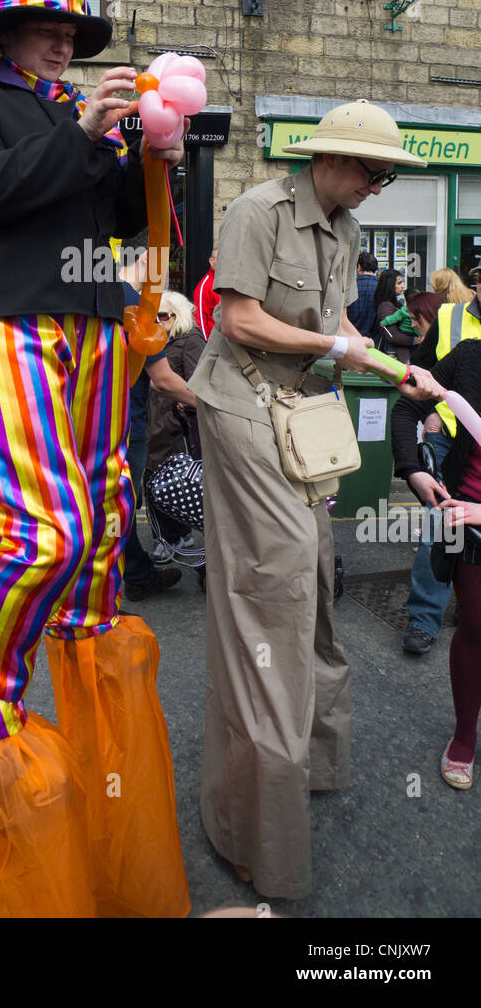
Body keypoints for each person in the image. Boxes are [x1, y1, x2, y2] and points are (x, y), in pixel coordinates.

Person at [0, 0, 190, 919]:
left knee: (97, 542)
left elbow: (145, 230)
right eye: (51, 28)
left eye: (74, 29)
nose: (67, 41)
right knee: (38, 530)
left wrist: (156, 154)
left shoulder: (75, 116)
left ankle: (93, 800)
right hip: (7, 324)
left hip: (89, 329)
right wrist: (81, 129)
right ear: (10, 30)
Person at [189, 98, 427, 899]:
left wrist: (401, 372)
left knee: (313, 583)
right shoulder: (257, 210)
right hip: (241, 406)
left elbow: (339, 339)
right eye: (373, 170)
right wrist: (337, 346)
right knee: (271, 593)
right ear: (331, 159)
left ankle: (308, 771)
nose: (379, 185)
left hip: (298, 414)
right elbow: (242, 320)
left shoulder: (347, 228)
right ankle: (250, 822)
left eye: (387, 175)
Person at [391, 347, 481, 790]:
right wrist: (412, 469)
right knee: (476, 629)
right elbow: (408, 403)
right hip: (468, 520)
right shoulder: (469, 356)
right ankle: (464, 736)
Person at [400, 274, 481, 653]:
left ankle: (468, 604)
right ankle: (425, 619)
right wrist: (431, 410)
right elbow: (418, 374)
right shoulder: (451, 318)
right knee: (441, 523)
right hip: (448, 436)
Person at [119, 250, 194, 602]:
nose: (163, 278)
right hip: (126, 426)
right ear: (146, 263)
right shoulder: (136, 308)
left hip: (89, 421)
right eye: (161, 267)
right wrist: (212, 405)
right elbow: (163, 379)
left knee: (108, 503)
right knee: (118, 504)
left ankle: (136, 572)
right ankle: (123, 580)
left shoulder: (99, 295)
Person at [144, 291, 205, 567]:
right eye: (153, 316)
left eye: (163, 316)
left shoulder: (190, 341)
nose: (157, 321)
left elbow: (200, 382)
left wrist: (176, 393)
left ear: (177, 316)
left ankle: (169, 539)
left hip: (175, 426)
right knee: (154, 482)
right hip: (153, 423)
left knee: (169, 481)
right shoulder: (154, 341)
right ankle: (172, 536)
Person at [374, 268, 415, 362]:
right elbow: (391, 335)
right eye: (399, 283)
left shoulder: (394, 304)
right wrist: (414, 339)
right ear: (390, 285)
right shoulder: (385, 306)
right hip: (395, 356)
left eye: (403, 282)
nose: (403, 286)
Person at [346, 250, 378, 337]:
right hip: (374, 340)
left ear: (359, 267)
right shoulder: (381, 287)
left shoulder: (349, 286)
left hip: (351, 337)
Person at [193, 249, 220, 339]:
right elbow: (200, 319)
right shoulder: (205, 286)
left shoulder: (228, 284)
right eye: (219, 259)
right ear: (211, 261)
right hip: (213, 343)